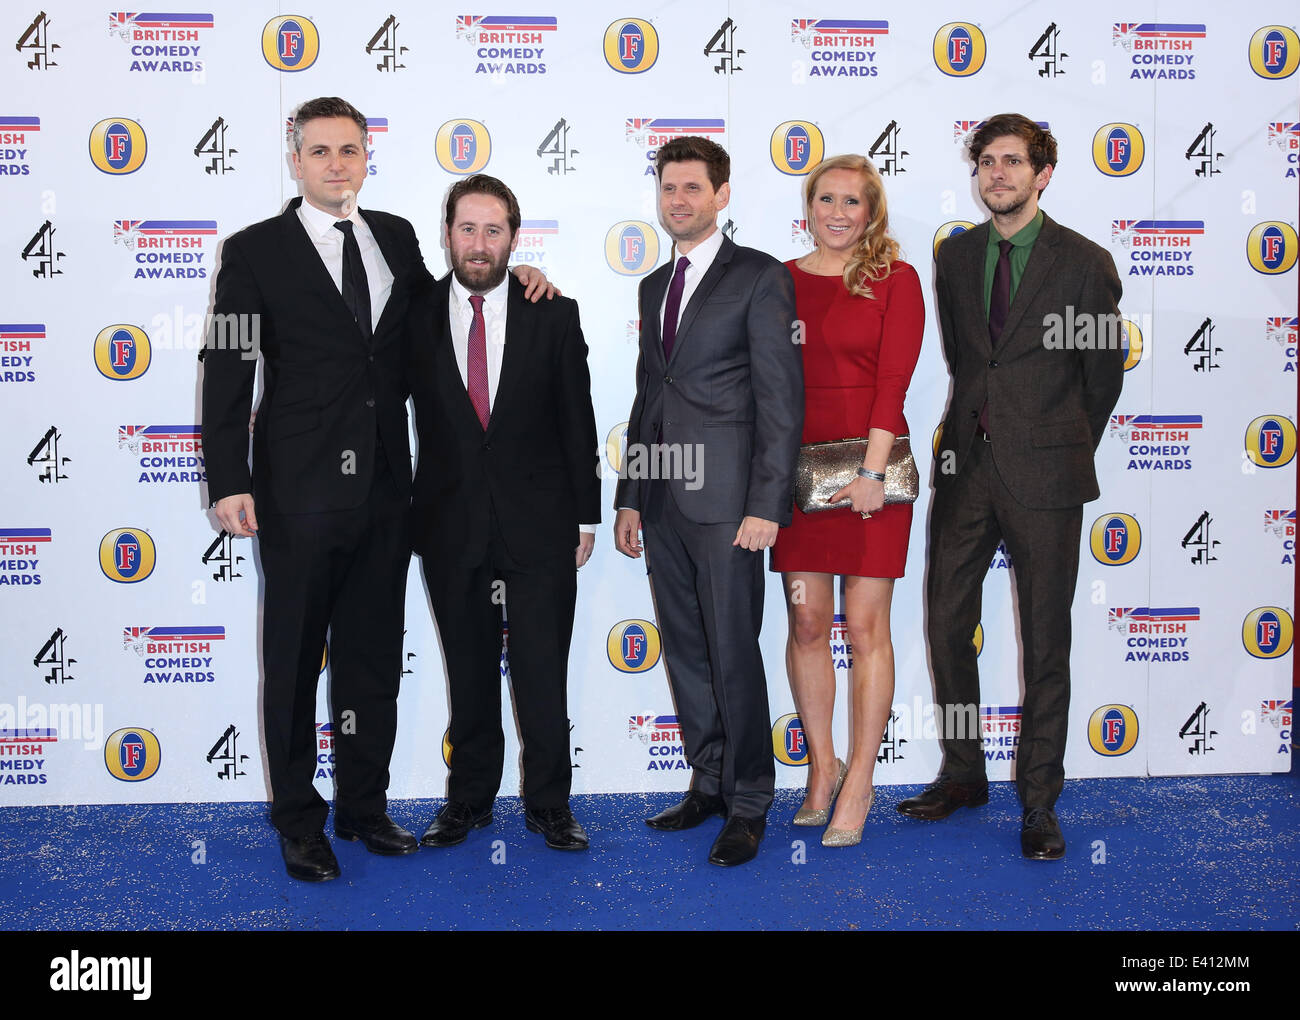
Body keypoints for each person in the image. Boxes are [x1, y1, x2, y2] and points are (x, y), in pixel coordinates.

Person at [200, 98, 550, 882]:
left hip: (389, 492)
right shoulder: (253, 251)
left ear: (367, 158)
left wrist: (511, 278)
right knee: (294, 664)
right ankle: (299, 822)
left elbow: (444, 316)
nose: (336, 164)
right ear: (295, 160)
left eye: (349, 150)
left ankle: (363, 806)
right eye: (320, 151)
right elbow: (227, 364)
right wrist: (228, 478)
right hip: (297, 494)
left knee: (371, 662)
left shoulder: (392, 236)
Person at [899, 114, 1124, 860]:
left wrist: (1058, 445)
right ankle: (964, 772)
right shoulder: (957, 256)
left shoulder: (1084, 263)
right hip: (966, 468)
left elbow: (1101, 378)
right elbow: (971, 361)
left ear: (1042, 175)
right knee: (945, 623)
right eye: (987, 161)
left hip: (1048, 473)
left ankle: (1039, 801)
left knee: (1045, 639)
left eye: (1013, 162)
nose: (997, 173)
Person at [613, 136, 803, 867]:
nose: (678, 200)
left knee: (732, 651)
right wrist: (631, 496)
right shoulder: (654, 285)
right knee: (688, 650)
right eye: (669, 188)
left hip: (728, 503)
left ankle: (750, 799)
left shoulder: (759, 276)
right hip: (663, 500)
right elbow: (649, 394)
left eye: (693, 187)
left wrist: (767, 503)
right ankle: (709, 780)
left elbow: (780, 399)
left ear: (722, 195)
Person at [410, 175, 600, 852]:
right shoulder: (414, 314)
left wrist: (585, 517)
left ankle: (550, 804)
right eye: (468, 228)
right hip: (449, 524)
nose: (479, 243)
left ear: (514, 239)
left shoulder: (553, 312)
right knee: (468, 672)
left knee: (543, 672)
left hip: (541, 526)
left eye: (494, 231)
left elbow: (578, 420)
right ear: (447, 234)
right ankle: (468, 800)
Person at [771, 155, 924, 848]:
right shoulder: (780, 280)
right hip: (798, 475)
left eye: (851, 202)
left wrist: (870, 472)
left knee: (865, 629)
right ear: (809, 207)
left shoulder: (897, 279)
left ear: (871, 212)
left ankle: (860, 780)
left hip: (872, 474)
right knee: (807, 624)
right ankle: (822, 768)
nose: (837, 213)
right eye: (825, 199)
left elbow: (894, 382)